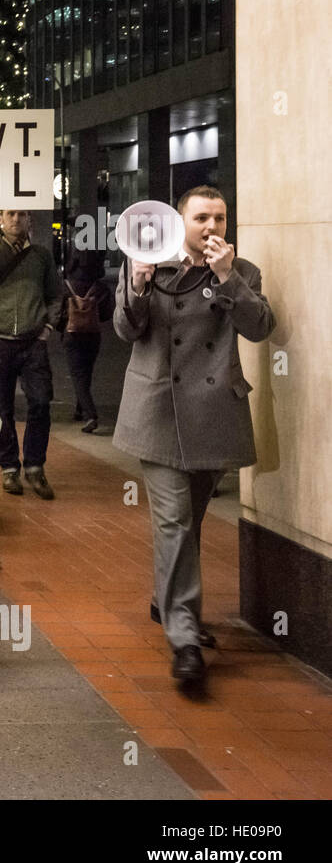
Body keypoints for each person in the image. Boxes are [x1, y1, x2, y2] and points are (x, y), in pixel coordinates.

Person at [113, 186, 274, 685]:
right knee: (175, 522)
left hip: (214, 413)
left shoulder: (240, 271)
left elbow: (261, 326)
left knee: (192, 520)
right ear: (178, 221)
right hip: (157, 409)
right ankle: (184, 637)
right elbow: (125, 329)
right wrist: (139, 285)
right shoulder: (145, 261)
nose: (212, 227)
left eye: (220, 218)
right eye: (201, 217)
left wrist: (227, 278)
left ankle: (167, 600)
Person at [0, 209, 63, 499]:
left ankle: (35, 466)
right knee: (2, 408)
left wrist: (48, 327)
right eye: (10, 214)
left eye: (22, 215)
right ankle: (9, 467)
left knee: (40, 403)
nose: (16, 220)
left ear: (29, 220)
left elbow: (55, 294)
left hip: (32, 342)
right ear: (0, 219)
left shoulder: (40, 255)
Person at [62, 249, 114, 433]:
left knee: (78, 375)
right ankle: (80, 409)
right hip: (93, 335)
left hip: (71, 335)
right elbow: (107, 314)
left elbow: (59, 314)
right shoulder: (100, 288)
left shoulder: (66, 285)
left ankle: (90, 415)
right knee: (86, 373)